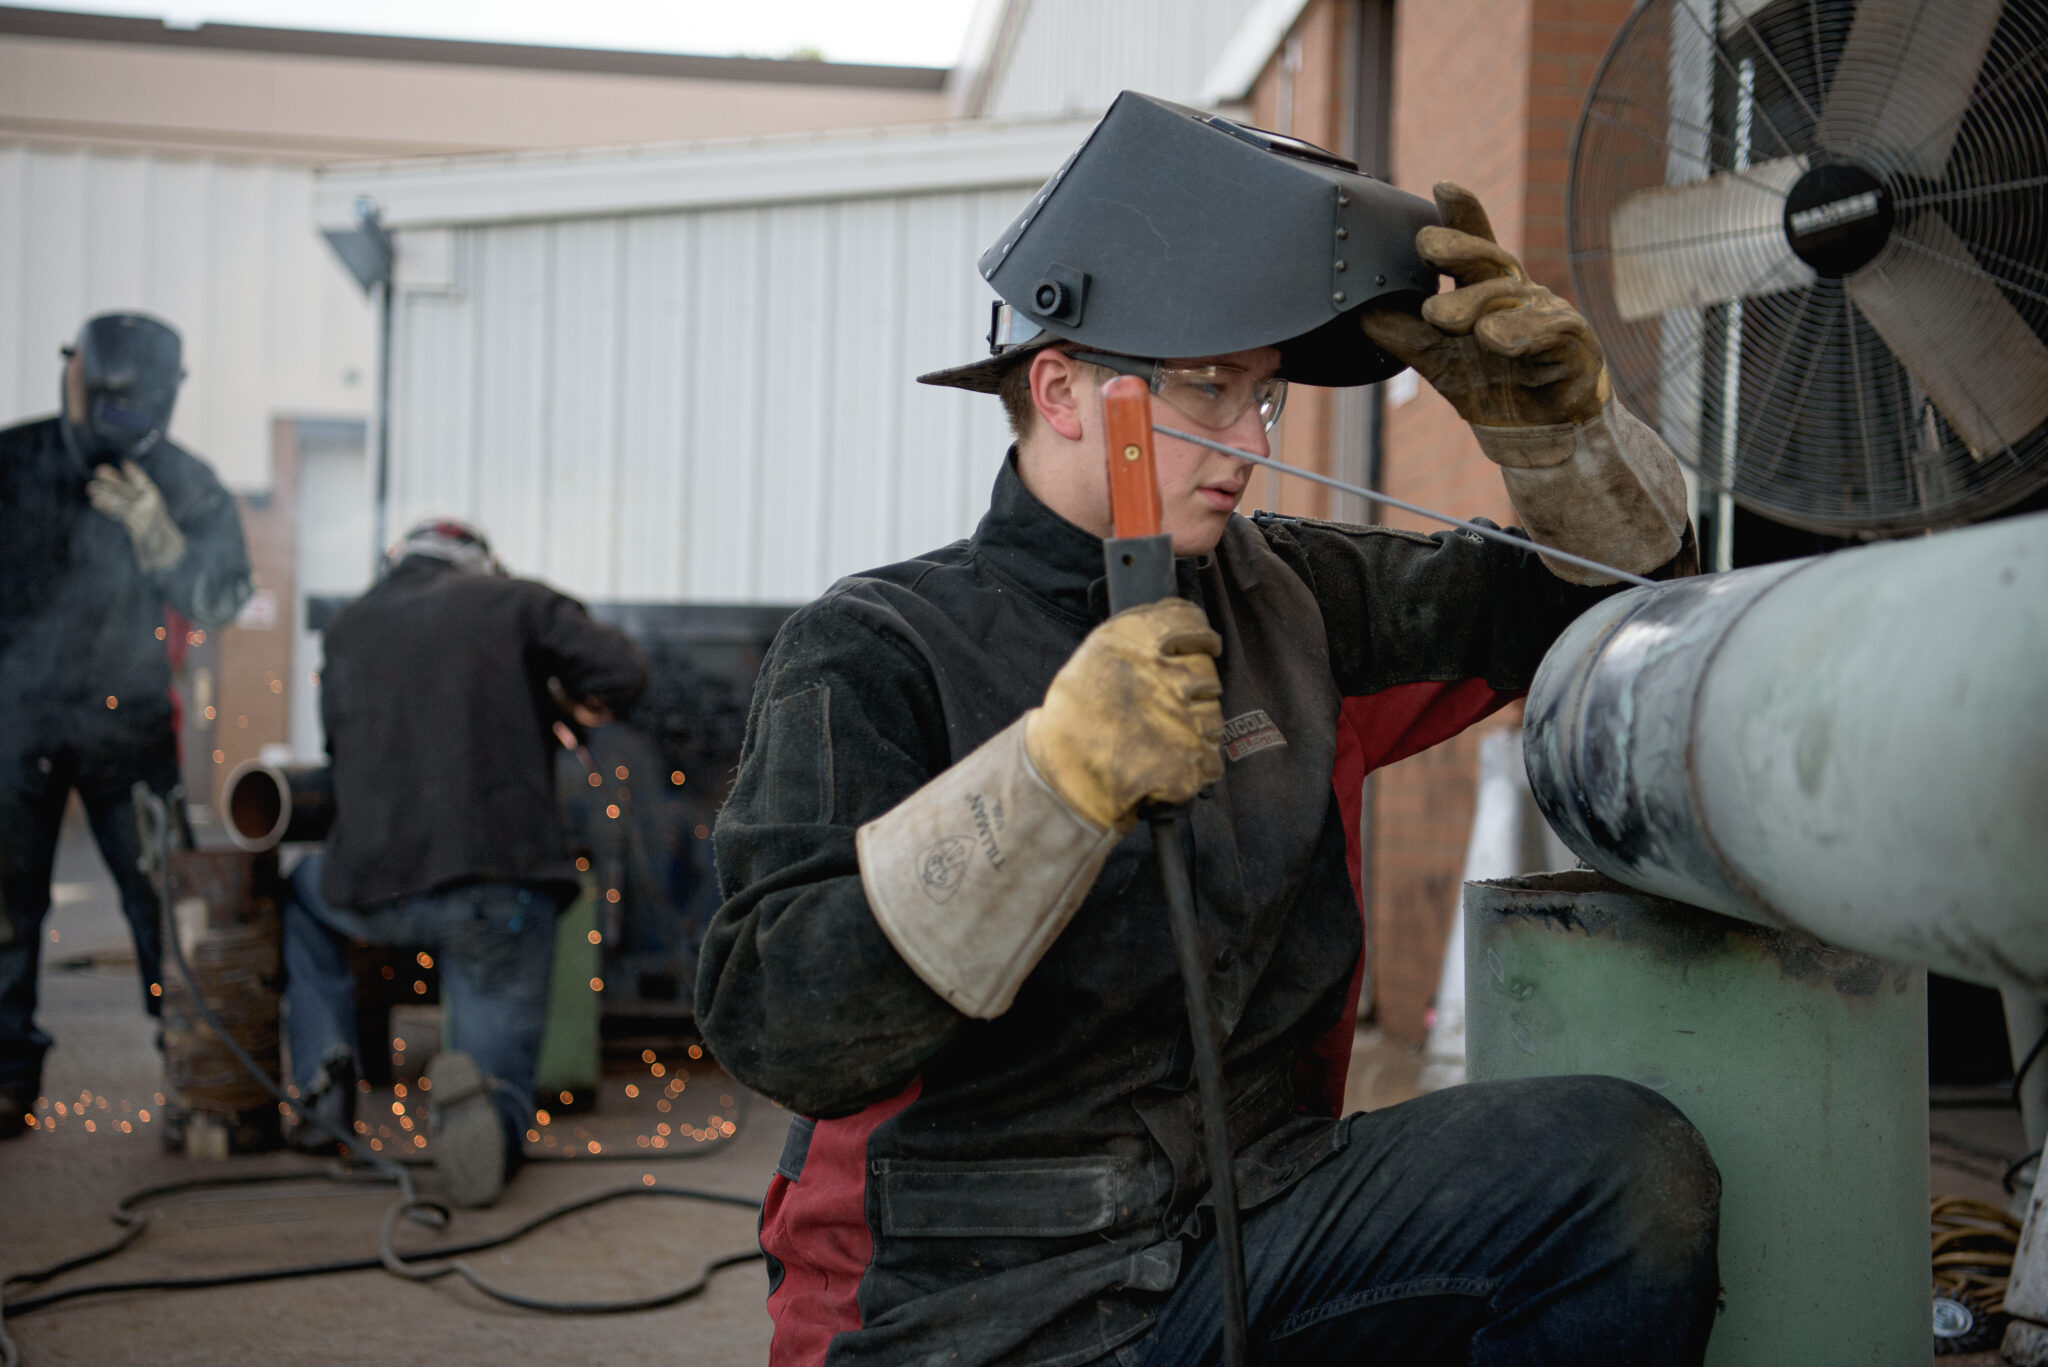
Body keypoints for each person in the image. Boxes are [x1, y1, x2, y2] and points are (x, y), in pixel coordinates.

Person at [697, 93, 1717, 1367]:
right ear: (1061, 390)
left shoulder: (1291, 595)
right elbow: (778, 1021)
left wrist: (1561, 435)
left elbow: (1618, 604)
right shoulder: (874, 646)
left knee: (1617, 1172)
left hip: (1264, 1218)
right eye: (1205, 389)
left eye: (1261, 396)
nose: (1248, 442)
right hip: (968, 1297)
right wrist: (1047, 782)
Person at [282, 518, 646, 1207]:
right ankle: (490, 1121)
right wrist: (555, 688)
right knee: (497, 1076)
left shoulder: (348, 627)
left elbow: (340, 753)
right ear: (481, 562)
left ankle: (323, 1086)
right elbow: (623, 674)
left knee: (300, 893)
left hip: (373, 889)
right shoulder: (512, 602)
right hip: (494, 889)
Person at [0, 312, 253, 1141]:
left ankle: (196, 1078)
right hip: (14, 729)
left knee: (164, 907)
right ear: (72, 376)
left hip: (131, 732)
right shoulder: (12, 464)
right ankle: (5, 1083)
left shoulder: (186, 484)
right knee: (5, 914)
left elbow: (222, 599)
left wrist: (164, 542)